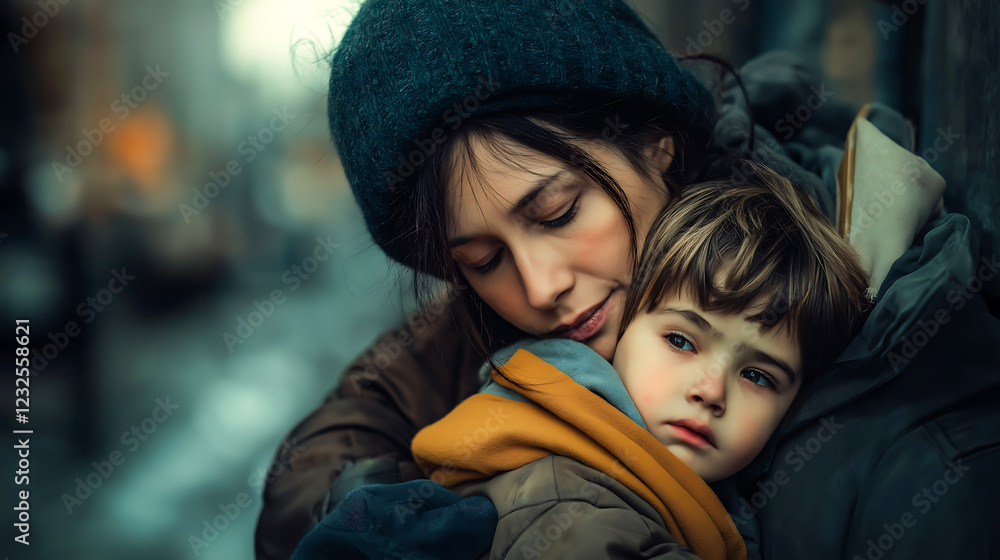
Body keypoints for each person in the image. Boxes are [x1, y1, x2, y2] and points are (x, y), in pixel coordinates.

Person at [255, 1, 1000, 559]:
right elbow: (337, 439)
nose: (540, 287)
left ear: (656, 144)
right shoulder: (516, 325)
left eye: (557, 210)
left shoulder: (890, 377)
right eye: (481, 261)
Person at [289, 162, 870, 560]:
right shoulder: (574, 500)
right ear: (633, 318)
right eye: (681, 342)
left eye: (758, 375)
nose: (711, 388)